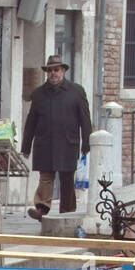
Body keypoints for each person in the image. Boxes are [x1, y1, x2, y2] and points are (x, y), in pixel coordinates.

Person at [21, 55, 91, 221]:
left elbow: (85, 119)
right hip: (45, 143)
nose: (53, 73)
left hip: (68, 142)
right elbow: (31, 121)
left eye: (56, 70)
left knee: (67, 179)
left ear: (64, 71)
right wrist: (26, 146)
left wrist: (87, 143)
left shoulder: (76, 91)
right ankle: (41, 209)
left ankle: (67, 212)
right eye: (50, 70)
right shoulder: (38, 94)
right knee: (46, 177)